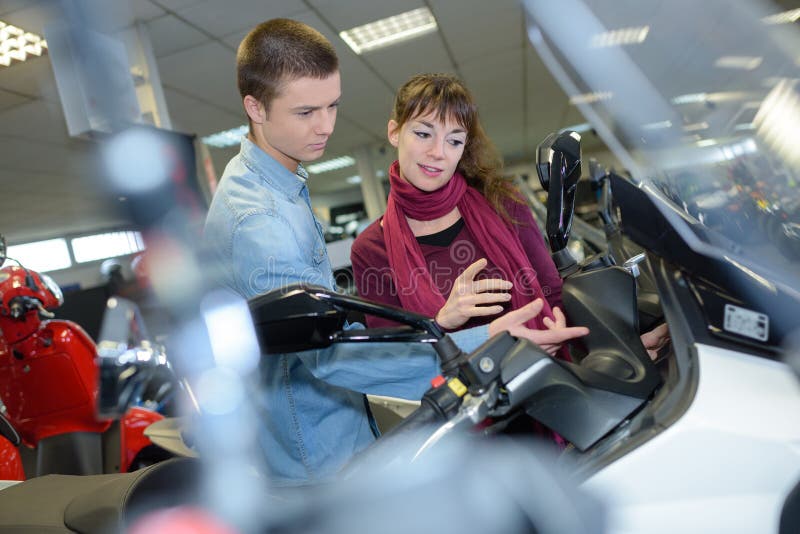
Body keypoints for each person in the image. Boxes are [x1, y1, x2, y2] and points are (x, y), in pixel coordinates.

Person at [202, 20, 582, 485]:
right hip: (316, 459)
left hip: (345, 432)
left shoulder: (282, 190)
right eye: (305, 112)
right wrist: (478, 342)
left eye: (332, 105)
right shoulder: (261, 222)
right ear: (254, 108)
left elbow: (334, 324)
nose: (325, 126)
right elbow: (330, 355)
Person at [351, 73, 588, 356]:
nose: (438, 152)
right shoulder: (371, 249)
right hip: (462, 394)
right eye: (423, 134)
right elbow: (391, 356)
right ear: (394, 132)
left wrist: (558, 327)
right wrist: (441, 321)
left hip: (541, 374)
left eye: (454, 141)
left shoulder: (503, 203)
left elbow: (551, 290)